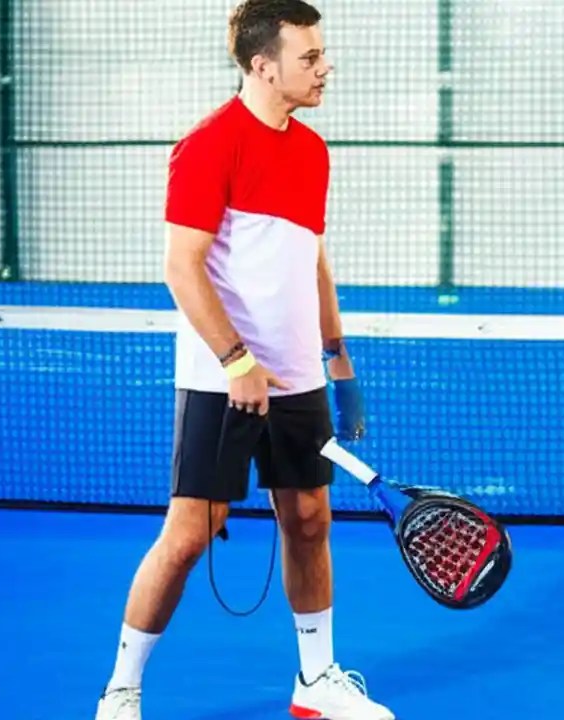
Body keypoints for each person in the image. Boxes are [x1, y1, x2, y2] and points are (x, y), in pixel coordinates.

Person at [95, 1, 394, 718]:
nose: (325, 69)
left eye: (322, 55)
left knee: (311, 517)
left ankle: (316, 684)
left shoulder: (313, 151)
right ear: (263, 65)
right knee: (190, 532)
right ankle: (122, 690)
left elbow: (313, 264)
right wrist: (235, 361)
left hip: (297, 377)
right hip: (218, 380)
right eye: (310, 57)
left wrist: (338, 361)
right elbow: (181, 266)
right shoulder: (208, 144)